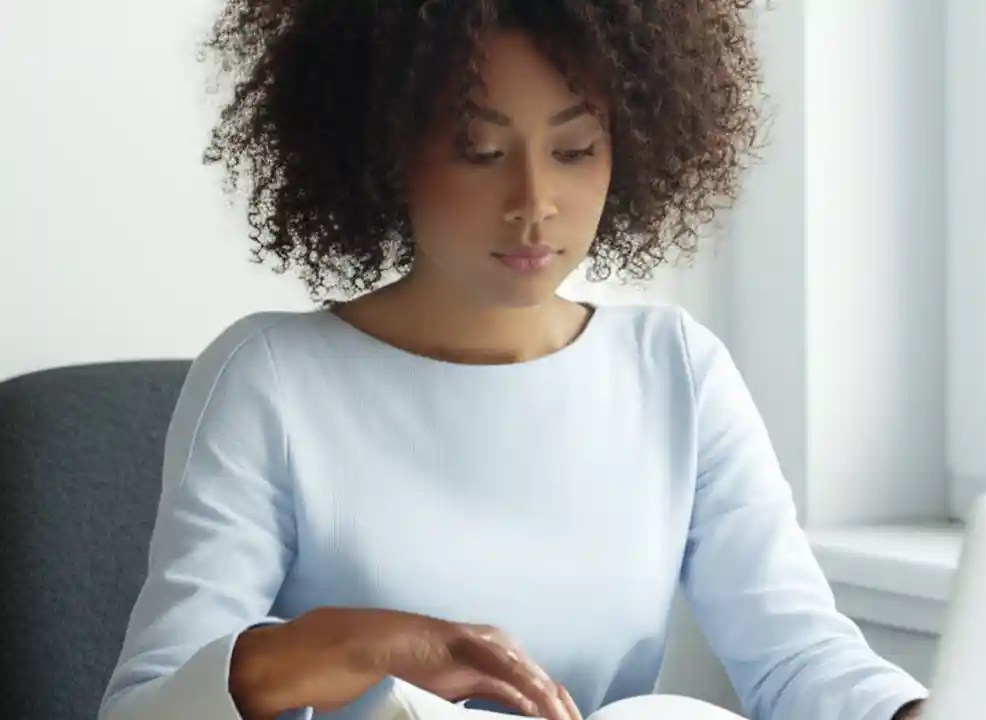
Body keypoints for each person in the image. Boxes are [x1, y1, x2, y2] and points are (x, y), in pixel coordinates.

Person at [99, 2, 929, 719]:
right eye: (478, 150)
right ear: (384, 149)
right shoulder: (270, 379)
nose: (534, 203)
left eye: (574, 151)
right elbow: (146, 707)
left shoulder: (676, 370)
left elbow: (796, 656)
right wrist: (356, 646)